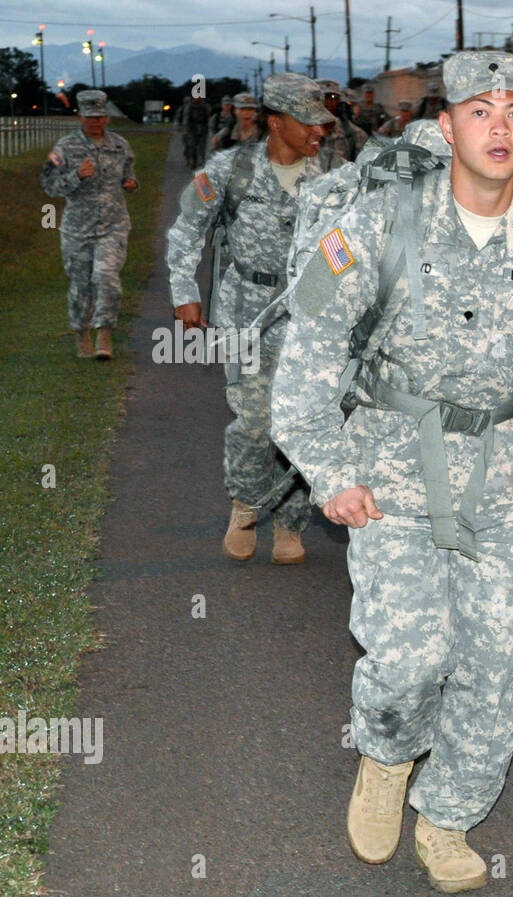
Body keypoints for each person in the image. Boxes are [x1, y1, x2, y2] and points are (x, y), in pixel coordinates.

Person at [270, 51, 513, 893]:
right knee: (410, 657)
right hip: (389, 467)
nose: (500, 128)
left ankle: (448, 814)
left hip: (506, 472)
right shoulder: (379, 222)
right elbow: (304, 363)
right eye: (479, 112)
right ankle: (384, 755)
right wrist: (330, 469)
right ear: (445, 126)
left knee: (495, 655)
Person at [166, 73, 332, 565]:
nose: (319, 132)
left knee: (301, 422)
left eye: (323, 122)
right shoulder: (229, 169)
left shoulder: (332, 179)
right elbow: (186, 231)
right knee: (254, 421)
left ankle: (290, 522)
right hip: (243, 311)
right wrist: (183, 293)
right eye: (309, 122)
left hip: (309, 314)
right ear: (277, 122)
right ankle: (245, 506)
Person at [41, 90, 138, 360]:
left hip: (113, 225)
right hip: (77, 229)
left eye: (100, 116)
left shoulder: (120, 145)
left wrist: (131, 184)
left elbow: (129, 174)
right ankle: (81, 333)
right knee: (81, 284)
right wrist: (76, 176)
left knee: (106, 278)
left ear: (107, 117)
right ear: (80, 116)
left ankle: (104, 336)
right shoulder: (65, 148)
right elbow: (48, 185)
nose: (96, 121)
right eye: (90, 117)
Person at [317, 78, 368, 170]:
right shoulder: (299, 134)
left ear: (339, 101)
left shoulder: (356, 135)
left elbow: (363, 171)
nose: (328, 102)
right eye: (322, 97)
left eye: (333, 97)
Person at [179, 95, 212, 169]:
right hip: (191, 129)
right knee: (192, 146)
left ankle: (202, 162)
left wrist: (209, 126)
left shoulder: (205, 106)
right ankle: (193, 161)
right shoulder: (189, 106)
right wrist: (186, 128)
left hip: (202, 129)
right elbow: (186, 118)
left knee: (202, 147)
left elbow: (209, 117)